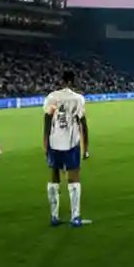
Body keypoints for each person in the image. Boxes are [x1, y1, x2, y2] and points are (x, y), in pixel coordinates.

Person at [44, 70, 90, 227]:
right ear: (71, 81)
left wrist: (45, 144)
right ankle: (75, 217)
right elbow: (83, 123)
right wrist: (86, 147)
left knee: (54, 177)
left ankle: (54, 216)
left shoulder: (52, 97)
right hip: (71, 143)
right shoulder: (78, 99)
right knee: (74, 178)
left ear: (62, 81)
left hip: (54, 143)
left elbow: (47, 120)